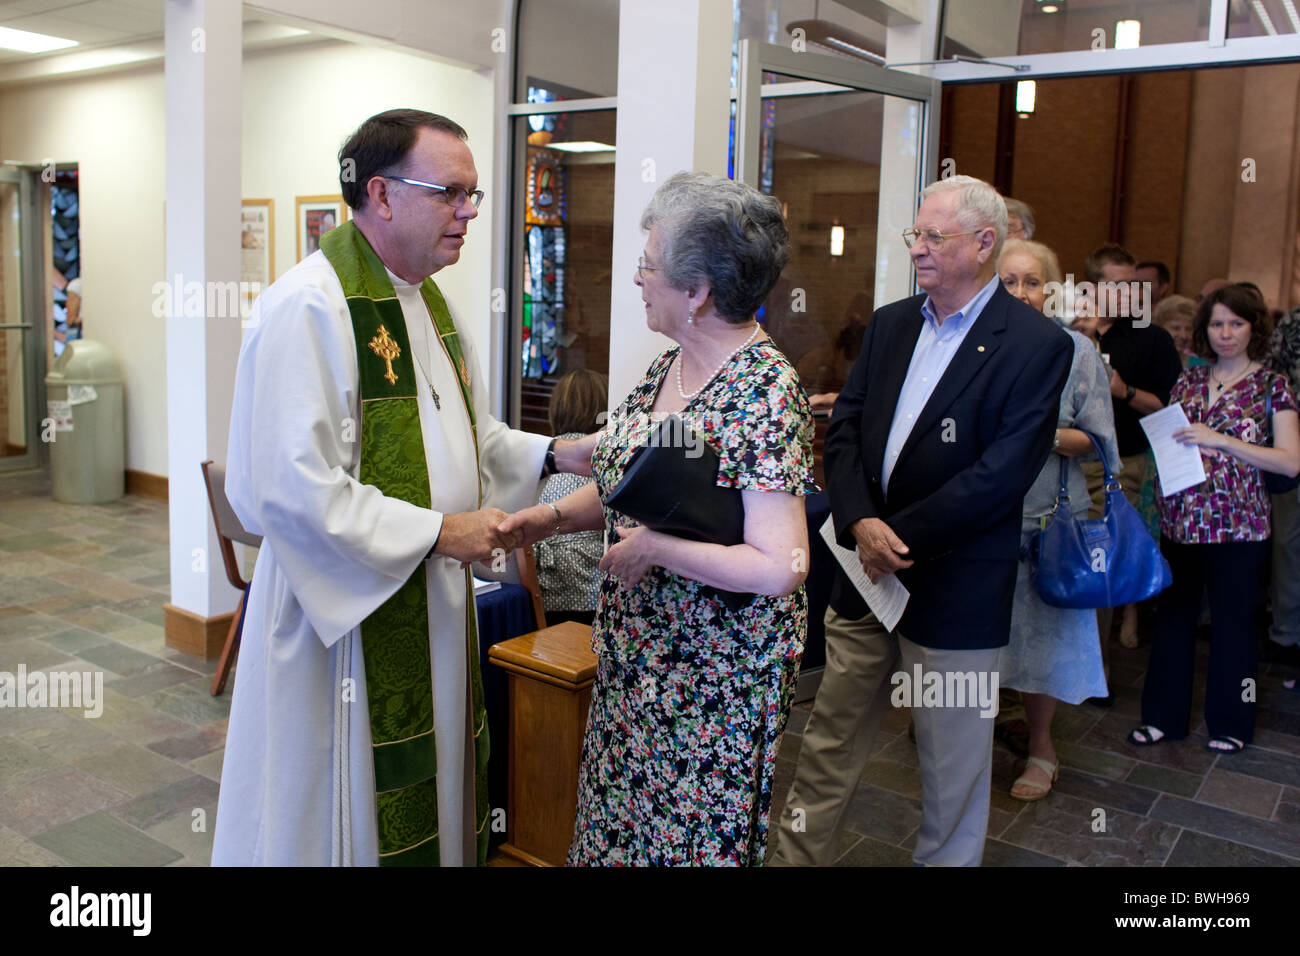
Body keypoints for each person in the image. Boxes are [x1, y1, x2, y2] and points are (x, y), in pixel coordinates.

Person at [213, 109, 594, 867]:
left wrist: (559, 450)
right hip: (344, 627)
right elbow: (287, 493)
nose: (469, 215)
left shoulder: (431, 303)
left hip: (429, 602)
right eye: (451, 193)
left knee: (437, 801)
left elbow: (471, 441)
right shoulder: (310, 307)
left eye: (474, 196)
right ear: (381, 195)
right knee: (335, 818)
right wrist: (437, 533)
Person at [502, 171, 817, 866]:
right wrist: (547, 521)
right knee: (617, 834)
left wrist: (659, 551)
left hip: (712, 682)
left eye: (648, 265)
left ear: (698, 291)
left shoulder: (765, 393)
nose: (638, 278)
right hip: (640, 659)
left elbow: (779, 568)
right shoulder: (667, 368)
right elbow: (629, 487)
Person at [771, 175, 1073, 866]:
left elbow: (1002, 473)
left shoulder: (1035, 345)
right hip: (862, 580)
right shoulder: (892, 323)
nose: (919, 250)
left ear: (985, 243)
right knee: (826, 748)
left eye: (936, 237)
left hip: (954, 590)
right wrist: (859, 523)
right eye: (917, 235)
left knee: (952, 771)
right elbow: (845, 428)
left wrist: (894, 537)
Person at [1130, 285, 1300, 753]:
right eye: (1217, 324)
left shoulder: (1273, 386)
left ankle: (1231, 722)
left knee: (1234, 625)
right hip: (1183, 520)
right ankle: (1163, 717)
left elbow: (1289, 462)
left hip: (1241, 526)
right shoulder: (1187, 382)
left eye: (1236, 324)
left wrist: (1223, 441)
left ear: (1253, 328)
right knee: (1173, 620)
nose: (1225, 334)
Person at [994, 239, 1119, 799]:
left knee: (1042, 647)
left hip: (1047, 526)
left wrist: (1036, 436)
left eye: (1031, 281)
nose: (1020, 292)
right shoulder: (974, 347)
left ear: (1050, 290)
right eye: (1009, 281)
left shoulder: (1076, 352)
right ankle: (968, 744)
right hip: (982, 523)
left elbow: (1099, 442)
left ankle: (1041, 749)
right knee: (980, 646)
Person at [1079, 243, 1182, 666]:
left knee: (1103, 566)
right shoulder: (1064, 330)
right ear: (1091, 286)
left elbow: (1170, 408)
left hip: (1120, 465)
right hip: (1059, 460)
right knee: (1053, 559)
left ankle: (1094, 668)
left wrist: (1126, 391)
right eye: (1119, 286)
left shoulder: (1151, 338)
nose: (1131, 295)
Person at [534, 368, 608, 627]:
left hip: (540, 597)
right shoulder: (598, 460)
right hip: (589, 602)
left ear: (555, 410)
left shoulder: (538, 458)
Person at [1267, 305, 1300, 669]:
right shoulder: (1293, 322)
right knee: (1288, 545)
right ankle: (1286, 634)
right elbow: (1272, 375)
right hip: (1291, 445)